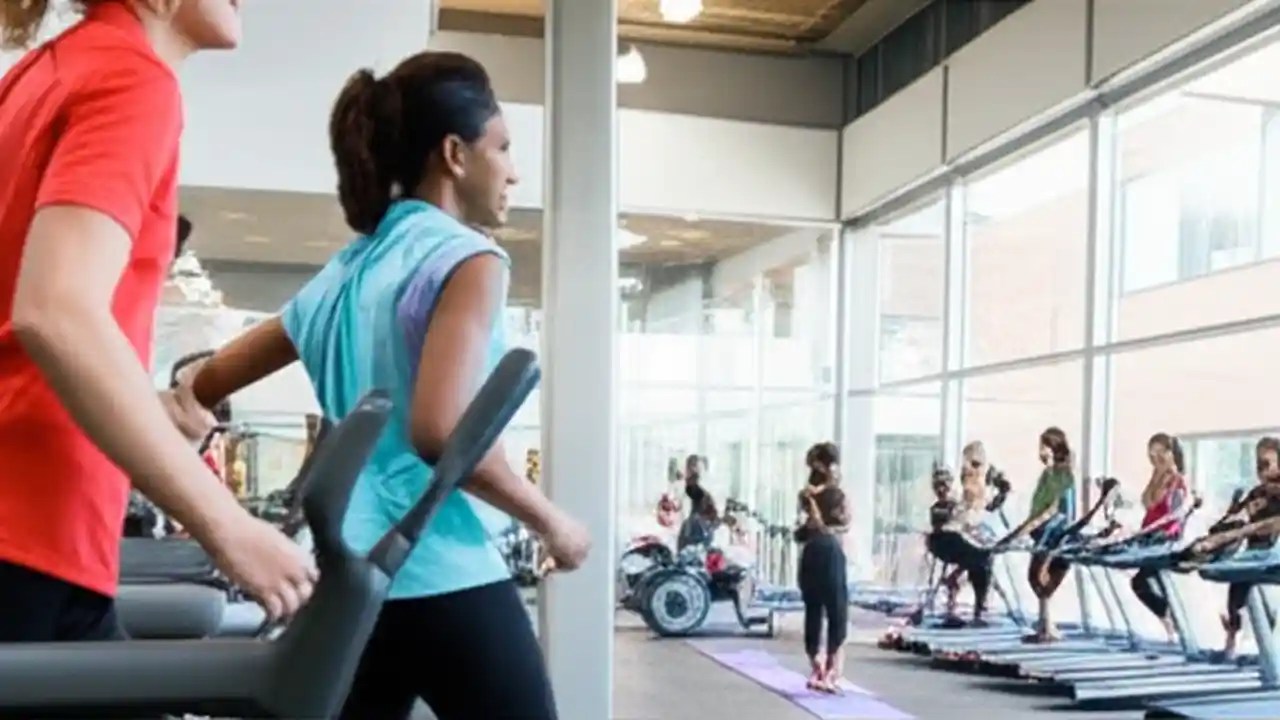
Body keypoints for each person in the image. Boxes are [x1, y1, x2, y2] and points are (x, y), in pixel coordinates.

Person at [181, 51, 589, 720]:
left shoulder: (346, 270)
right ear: (455, 154)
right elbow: (441, 432)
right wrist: (552, 522)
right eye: (504, 148)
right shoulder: (470, 258)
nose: (514, 171)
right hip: (440, 568)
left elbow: (210, 379)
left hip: (349, 581)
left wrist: (183, 406)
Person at [0, 0, 316, 644]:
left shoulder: (35, 76)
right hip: (32, 529)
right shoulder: (132, 80)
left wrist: (149, 418)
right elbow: (56, 311)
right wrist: (226, 525)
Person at [1181, 436, 1280, 658]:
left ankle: (1267, 650)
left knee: (1265, 601)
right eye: (1258, 466)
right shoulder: (1257, 493)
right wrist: (1233, 512)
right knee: (1236, 594)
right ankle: (1232, 644)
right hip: (1254, 555)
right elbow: (1232, 520)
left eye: (1267, 465)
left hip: (1272, 556)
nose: (1262, 473)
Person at [995, 427, 1076, 643]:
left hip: (1054, 533)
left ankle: (1047, 625)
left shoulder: (1063, 474)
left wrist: (1027, 528)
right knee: (1036, 579)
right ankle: (1044, 623)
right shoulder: (1048, 474)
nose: (1041, 452)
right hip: (1041, 532)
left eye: (1045, 447)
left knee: (1041, 577)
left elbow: (1053, 508)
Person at [794, 442, 850, 694]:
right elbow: (842, 523)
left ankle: (818, 665)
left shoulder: (807, 496)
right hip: (828, 552)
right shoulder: (835, 495)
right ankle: (830, 669)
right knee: (835, 609)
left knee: (814, 609)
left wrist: (812, 523)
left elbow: (802, 531)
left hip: (812, 552)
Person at [926, 442, 998, 626]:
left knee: (982, 557)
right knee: (983, 556)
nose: (969, 470)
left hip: (960, 536)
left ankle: (973, 602)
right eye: (968, 464)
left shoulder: (972, 487)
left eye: (975, 465)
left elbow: (984, 509)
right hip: (949, 537)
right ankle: (977, 607)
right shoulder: (965, 489)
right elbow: (960, 516)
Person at [1128, 433, 1188, 640]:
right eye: (1152, 454)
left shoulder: (1176, 481)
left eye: (1161, 453)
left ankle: (1173, 623)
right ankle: (1171, 624)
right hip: (1149, 535)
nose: (1156, 458)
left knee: (1143, 582)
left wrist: (1160, 477)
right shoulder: (1157, 476)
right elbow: (1146, 502)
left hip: (1165, 538)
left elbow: (1168, 510)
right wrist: (1155, 476)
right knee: (1144, 583)